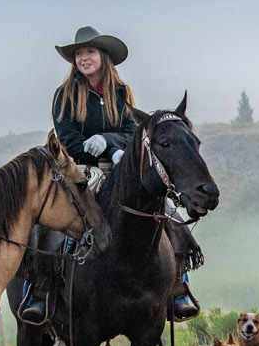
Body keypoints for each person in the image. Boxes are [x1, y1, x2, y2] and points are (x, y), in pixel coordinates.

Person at [15, 26, 202, 325]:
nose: (83, 58)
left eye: (89, 51)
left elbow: (132, 132)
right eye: (78, 54)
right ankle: (42, 288)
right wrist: (95, 151)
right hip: (78, 168)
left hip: (120, 167)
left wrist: (112, 145)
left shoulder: (121, 92)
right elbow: (66, 139)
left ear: (103, 56)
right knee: (55, 219)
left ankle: (178, 286)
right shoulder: (64, 95)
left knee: (164, 212)